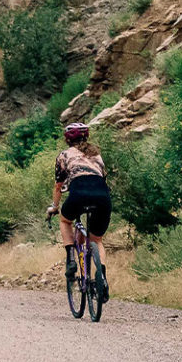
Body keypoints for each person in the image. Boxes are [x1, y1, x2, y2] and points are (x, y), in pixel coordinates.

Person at [46, 122, 111, 299]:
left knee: (65, 220)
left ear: (67, 139)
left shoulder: (64, 155)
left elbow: (59, 186)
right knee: (96, 240)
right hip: (102, 196)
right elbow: (103, 177)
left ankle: (71, 260)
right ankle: (102, 279)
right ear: (86, 136)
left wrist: (54, 207)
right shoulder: (96, 154)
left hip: (79, 195)